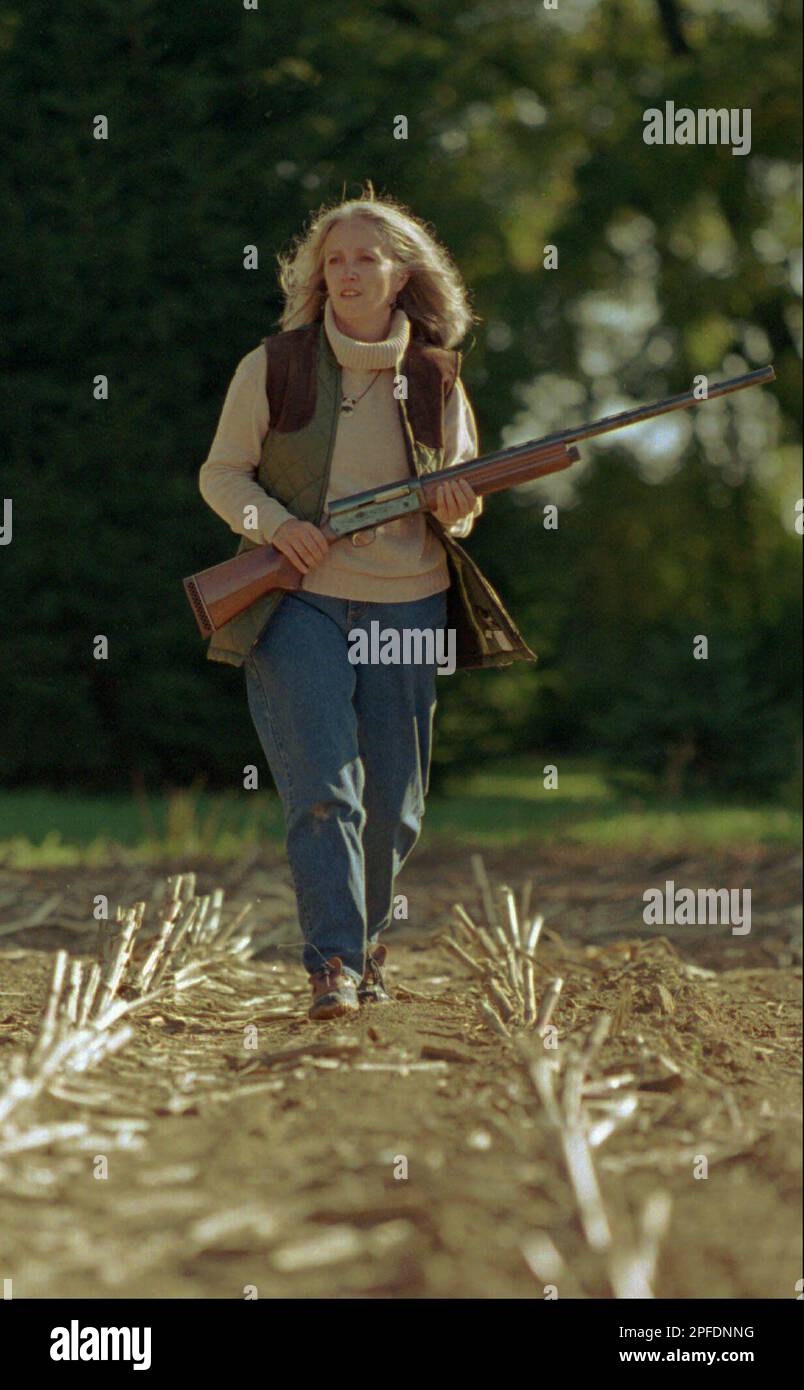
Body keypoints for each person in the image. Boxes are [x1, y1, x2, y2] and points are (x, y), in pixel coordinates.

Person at [198, 184, 535, 1020]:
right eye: (334, 259)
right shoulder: (272, 366)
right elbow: (221, 475)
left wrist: (459, 503)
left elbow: (467, 494)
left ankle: (369, 941)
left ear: (400, 276)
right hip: (300, 600)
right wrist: (275, 527)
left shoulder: (434, 377)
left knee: (394, 799)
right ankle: (335, 966)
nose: (347, 273)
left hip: (410, 603)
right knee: (324, 788)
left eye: (366, 259)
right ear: (319, 277)